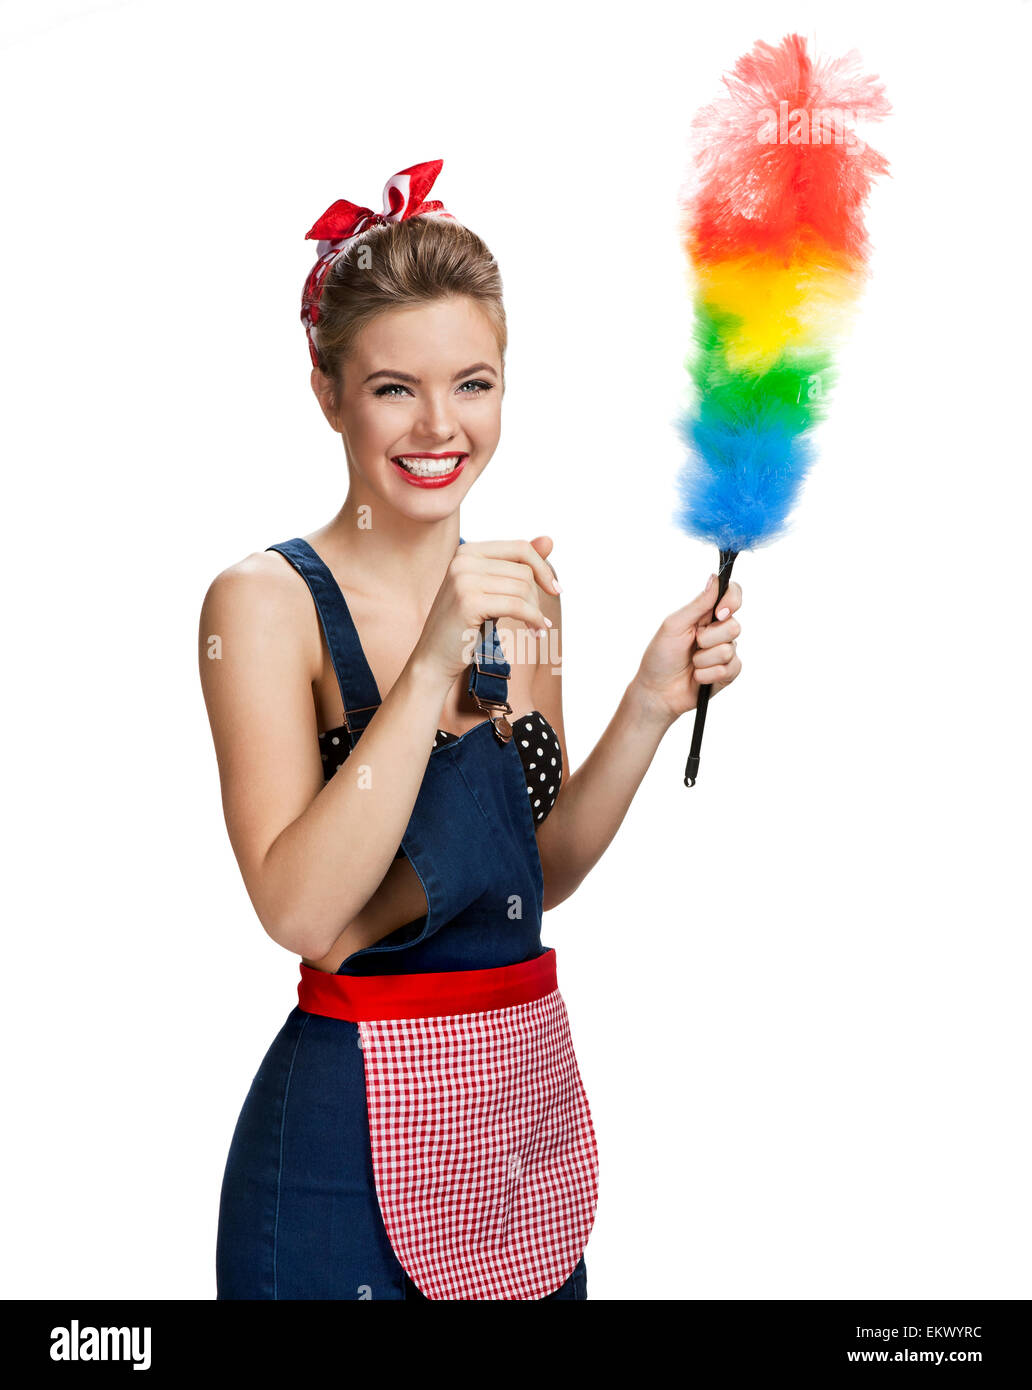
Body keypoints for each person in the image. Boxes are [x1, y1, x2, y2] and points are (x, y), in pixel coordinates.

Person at [199, 160, 744, 1301]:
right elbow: (299, 912)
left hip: (515, 1116)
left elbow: (533, 873)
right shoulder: (262, 603)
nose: (440, 426)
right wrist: (433, 672)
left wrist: (649, 703)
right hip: (340, 1145)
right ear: (327, 392)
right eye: (394, 387)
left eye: (475, 383)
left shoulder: (520, 592)